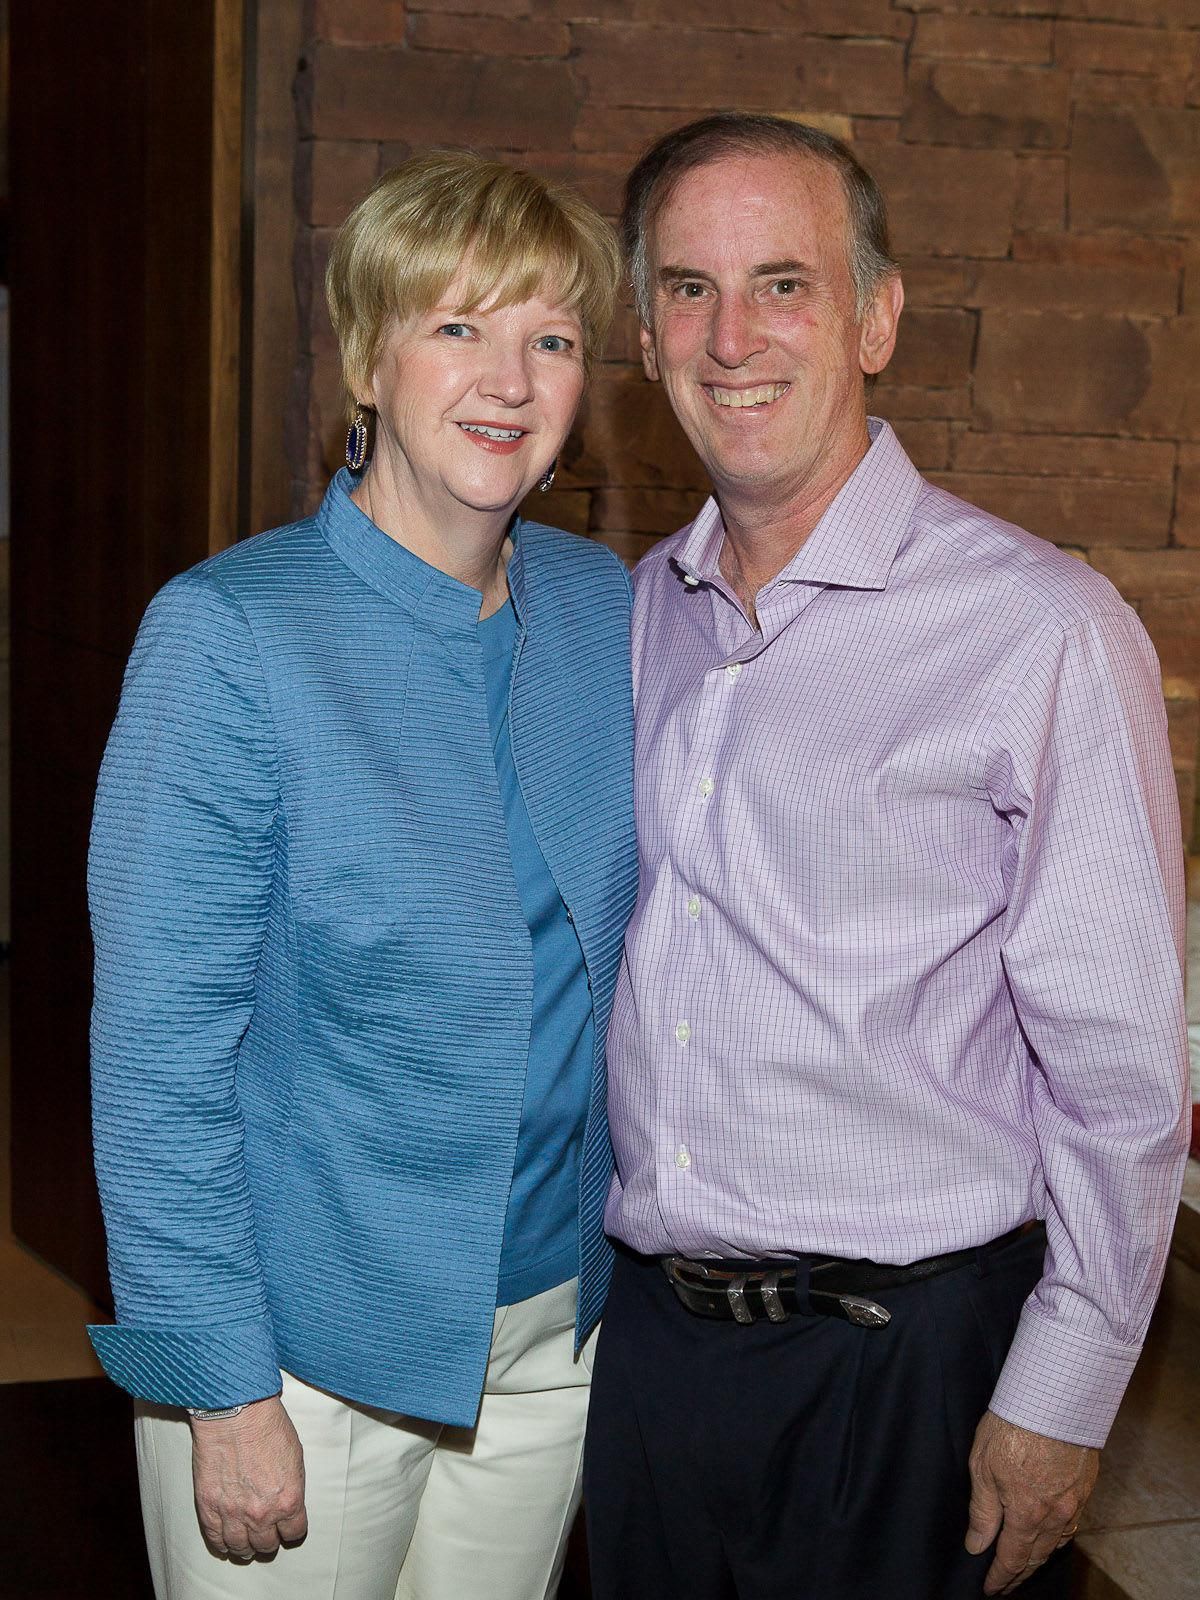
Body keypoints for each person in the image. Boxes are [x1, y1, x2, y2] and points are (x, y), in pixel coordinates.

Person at [583, 112, 1190, 1600]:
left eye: (783, 283)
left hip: (908, 1370)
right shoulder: (632, 616)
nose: (733, 337)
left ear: (875, 317)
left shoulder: (1039, 631)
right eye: (686, 288)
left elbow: (1121, 1072)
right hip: (651, 1353)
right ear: (645, 333)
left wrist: (1064, 1390)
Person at [87, 150, 636, 1600]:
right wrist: (219, 1385)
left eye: (553, 338)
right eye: (458, 326)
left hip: (548, 1350)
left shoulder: (607, 610)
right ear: (367, 362)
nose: (509, 377)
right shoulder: (230, 639)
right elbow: (156, 1055)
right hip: (303, 1362)